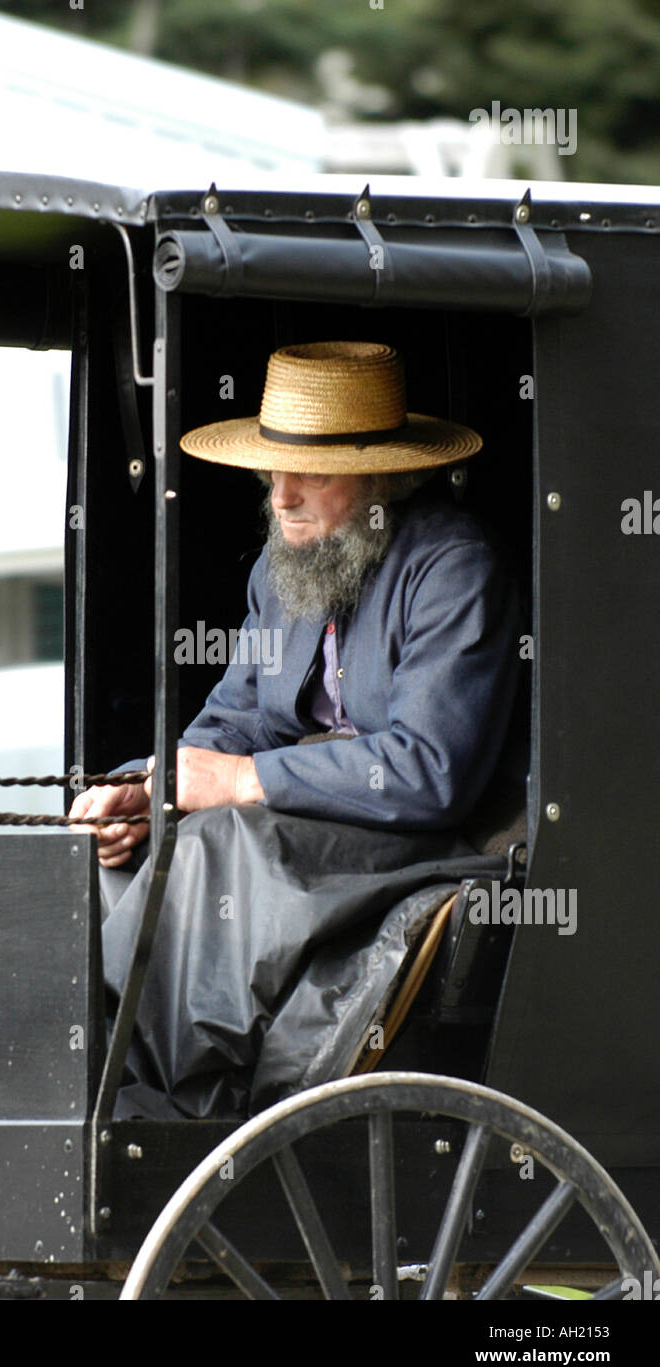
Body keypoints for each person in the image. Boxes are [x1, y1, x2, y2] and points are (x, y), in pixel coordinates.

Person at [70, 341, 525, 1120]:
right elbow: (237, 717)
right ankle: (86, 1066)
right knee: (123, 845)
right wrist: (151, 784)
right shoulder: (281, 570)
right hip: (303, 832)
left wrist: (244, 783)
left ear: (383, 475)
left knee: (227, 841)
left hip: (422, 841)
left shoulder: (453, 567)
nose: (280, 498)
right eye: (271, 473)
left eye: (309, 473)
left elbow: (431, 772)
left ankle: (184, 1104)